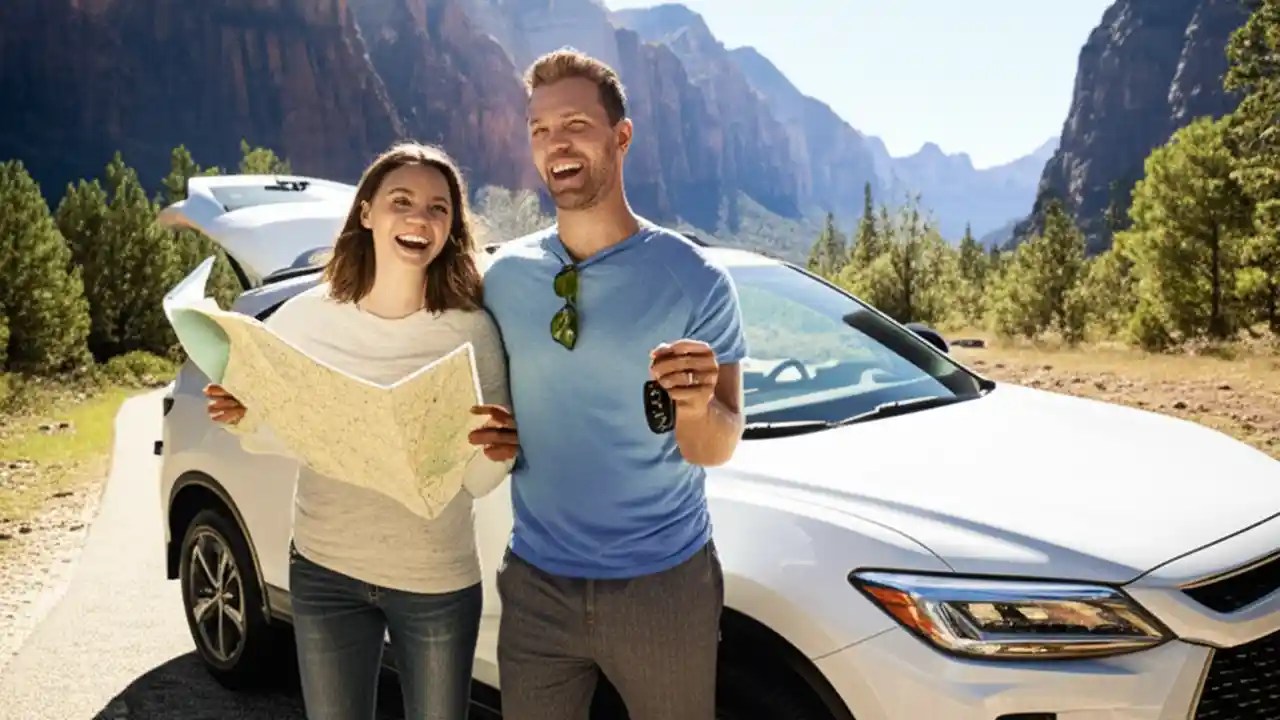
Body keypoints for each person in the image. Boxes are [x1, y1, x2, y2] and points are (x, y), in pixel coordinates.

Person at [202, 142, 519, 720]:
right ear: (366, 211)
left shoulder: (470, 332)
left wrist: (497, 451)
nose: (421, 219)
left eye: (439, 208)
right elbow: (273, 432)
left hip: (434, 580)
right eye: (402, 201)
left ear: (452, 227)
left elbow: (478, 481)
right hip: (325, 570)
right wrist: (242, 412)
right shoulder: (303, 316)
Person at [476, 48, 748, 720]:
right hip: (536, 585)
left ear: (620, 137)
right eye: (540, 130)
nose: (555, 144)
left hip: (663, 585)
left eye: (574, 124)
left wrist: (694, 406)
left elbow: (716, 445)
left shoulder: (698, 281)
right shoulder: (504, 278)